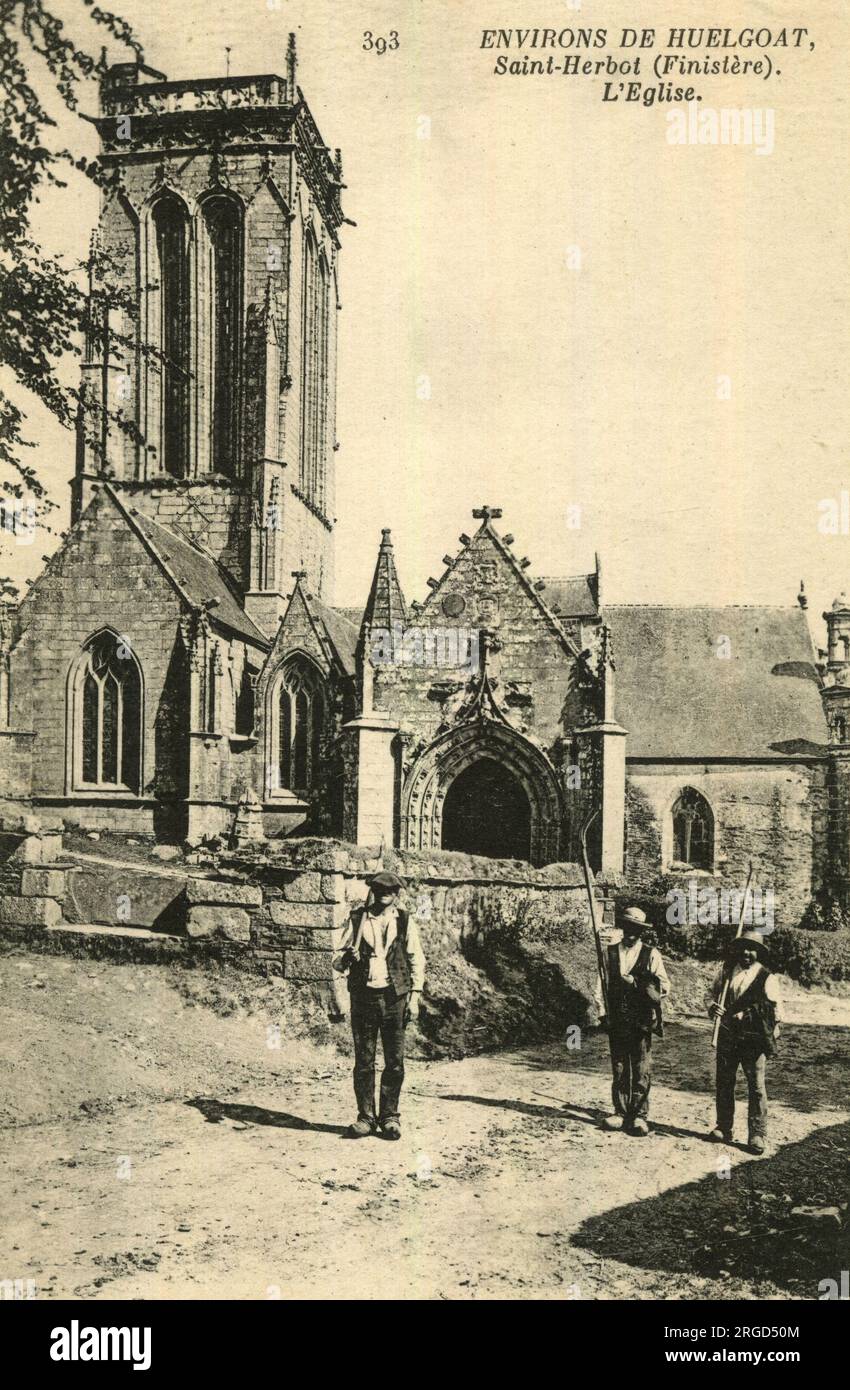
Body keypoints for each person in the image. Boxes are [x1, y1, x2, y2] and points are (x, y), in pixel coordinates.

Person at [332, 870, 425, 1140]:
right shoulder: (358, 919)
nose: (385, 894)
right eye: (380, 890)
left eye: (391, 891)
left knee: (394, 1061)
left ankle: (390, 1117)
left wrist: (415, 996)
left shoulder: (404, 921)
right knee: (364, 1060)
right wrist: (348, 958)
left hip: (395, 997)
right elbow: (337, 962)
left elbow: (416, 958)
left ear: (397, 895)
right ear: (372, 891)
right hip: (363, 998)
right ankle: (366, 1118)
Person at [596, 905, 670, 1136]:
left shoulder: (651, 954)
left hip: (641, 1019)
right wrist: (602, 1012)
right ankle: (620, 1112)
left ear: (641, 931)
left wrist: (638, 984)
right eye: (627, 928)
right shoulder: (609, 953)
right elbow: (600, 984)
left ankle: (639, 1115)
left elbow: (664, 987)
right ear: (622, 928)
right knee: (619, 1065)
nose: (630, 933)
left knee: (640, 1066)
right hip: (617, 1016)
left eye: (635, 929)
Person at [708, 930, 781, 1155]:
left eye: (752, 949)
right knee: (724, 1081)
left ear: (758, 952)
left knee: (756, 1086)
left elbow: (775, 1013)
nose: (746, 953)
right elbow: (710, 995)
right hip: (728, 1035)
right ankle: (723, 1127)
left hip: (753, 1039)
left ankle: (757, 1134)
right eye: (743, 949)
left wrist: (749, 1016)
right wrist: (713, 1007)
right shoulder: (727, 972)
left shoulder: (767, 977)